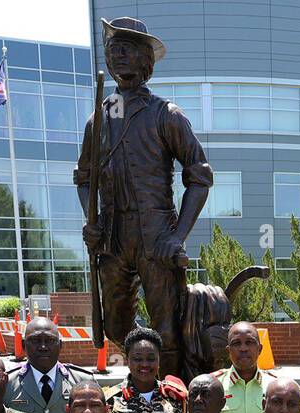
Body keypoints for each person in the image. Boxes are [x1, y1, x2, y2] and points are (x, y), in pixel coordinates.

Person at [77, 16, 213, 380]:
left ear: (144, 60)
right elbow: (84, 178)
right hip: (113, 236)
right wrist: (93, 222)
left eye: (126, 49)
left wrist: (177, 236)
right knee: (115, 327)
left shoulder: (164, 115)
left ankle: (171, 397)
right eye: (112, 49)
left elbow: (199, 176)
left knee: (167, 330)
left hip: (156, 232)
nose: (117, 56)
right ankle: (142, 382)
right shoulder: (98, 121)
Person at [5, 317, 97, 413]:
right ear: (23, 345)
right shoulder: (8, 384)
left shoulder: (82, 381)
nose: (43, 347)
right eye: (35, 340)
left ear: (60, 345)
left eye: (50, 340)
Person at [104, 327, 188, 413]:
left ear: (159, 360)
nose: (145, 364)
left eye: (151, 358)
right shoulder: (111, 401)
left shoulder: (176, 396)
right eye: (138, 359)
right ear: (127, 361)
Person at [210, 321, 268, 413]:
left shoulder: (274, 386)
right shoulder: (214, 385)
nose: (243, 348)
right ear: (228, 351)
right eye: (236, 343)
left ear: (259, 349)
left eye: (249, 342)